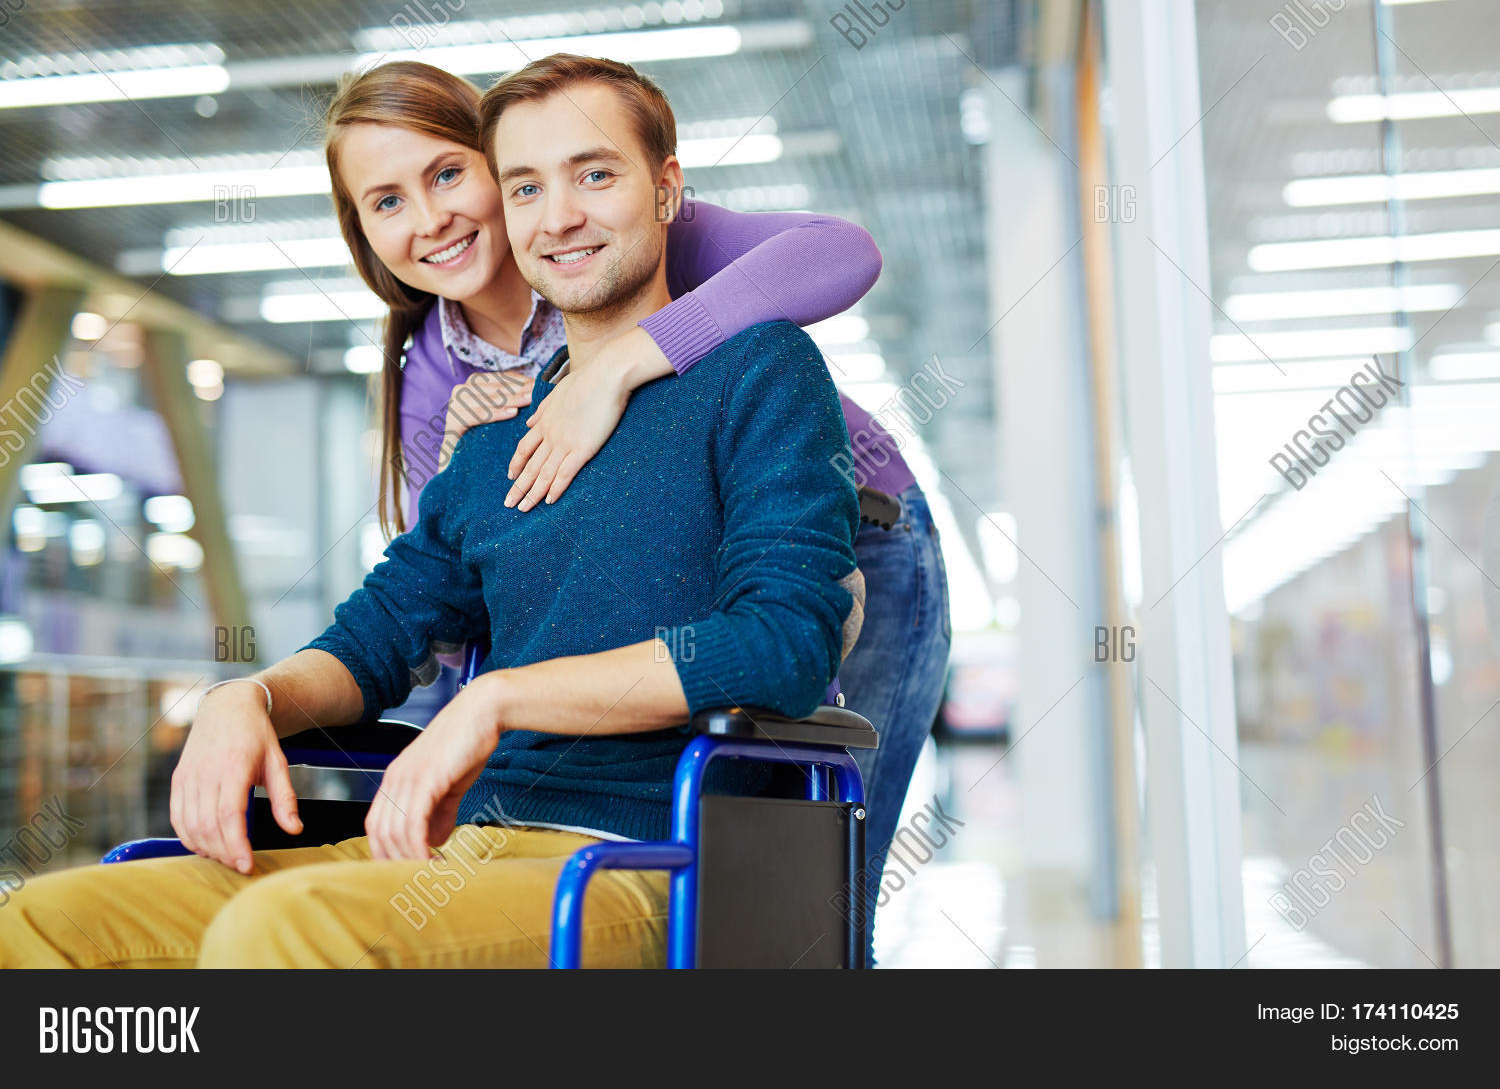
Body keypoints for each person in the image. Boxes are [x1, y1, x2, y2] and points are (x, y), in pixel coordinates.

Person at [0, 53, 859, 969]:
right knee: (44, 922)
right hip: (456, 851)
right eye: (525, 188)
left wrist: (498, 699)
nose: (559, 216)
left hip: (643, 859)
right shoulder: (486, 442)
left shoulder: (759, 369)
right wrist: (246, 697)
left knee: (282, 930)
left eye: (595, 175)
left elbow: (784, 642)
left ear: (667, 189)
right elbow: (375, 638)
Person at [327, 62, 951, 956]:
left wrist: (619, 365)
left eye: (447, 174)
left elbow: (843, 253)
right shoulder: (434, 368)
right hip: (650, 632)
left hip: (854, 530)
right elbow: (457, 594)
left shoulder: (644, 237)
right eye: (386, 202)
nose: (431, 219)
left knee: (812, 893)